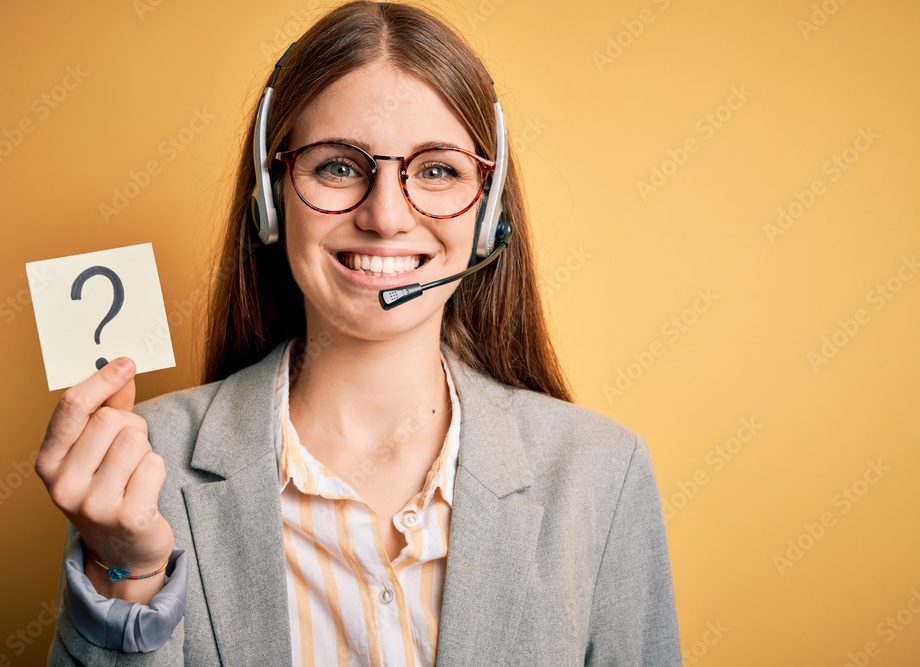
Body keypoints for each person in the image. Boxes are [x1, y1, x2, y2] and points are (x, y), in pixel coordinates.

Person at [35, 2, 682, 665]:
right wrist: (127, 573)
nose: (385, 216)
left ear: (488, 215)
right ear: (270, 196)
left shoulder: (604, 475)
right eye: (339, 166)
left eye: (436, 169)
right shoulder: (142, 466)